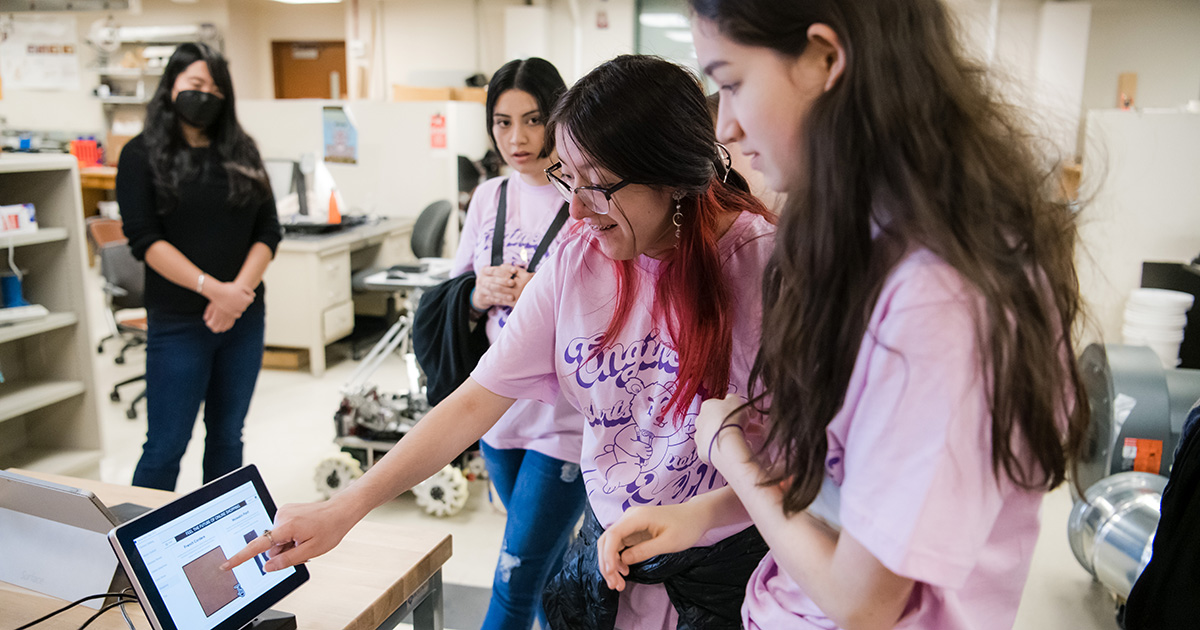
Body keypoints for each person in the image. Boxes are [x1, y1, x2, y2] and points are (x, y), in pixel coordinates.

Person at [224, 55, 775, 629]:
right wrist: (346, 507)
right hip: (615, 554)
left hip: (728, 568)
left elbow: (807, 464)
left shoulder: (765, 268)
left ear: (672, 174)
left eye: (597, 185)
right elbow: (474, 400)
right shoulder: (579, 259)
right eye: (567, 179)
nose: (575, 209)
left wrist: (701, 518)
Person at [597, 2, 1091, 630]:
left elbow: (864, 600)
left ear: (824, 58)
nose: (726, 127)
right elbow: (843, 483)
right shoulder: (859, 237)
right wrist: (702, 515)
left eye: (732, 83)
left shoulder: (939, 299)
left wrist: (730, 453)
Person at [449, 57, 587, 630]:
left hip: (564, 420)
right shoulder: (489, 196)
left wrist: (545, 294)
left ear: (557, 117)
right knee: (545, 573)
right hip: (496, 414)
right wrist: (478, 293)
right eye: (502, 123)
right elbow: (455, 290)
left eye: (532, 120)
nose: (517, 138)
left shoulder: (585, 193)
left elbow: (615, 306)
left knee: (514, 577)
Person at [118, 42, 281, 491]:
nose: (205, 95)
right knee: (166, 445)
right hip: (179, 320)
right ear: (171, 85)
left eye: (216, 88)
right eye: (195, 83)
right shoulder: (140, 154)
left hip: (243, 317)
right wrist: (214, 290)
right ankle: (138, 536)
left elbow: (269, 230)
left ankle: (224, 528)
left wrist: (238, 294)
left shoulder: (242, 151)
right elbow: (145, 240)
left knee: (228, 437)